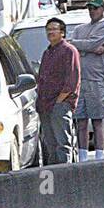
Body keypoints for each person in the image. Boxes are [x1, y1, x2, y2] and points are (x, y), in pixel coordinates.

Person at [69, 0, 104, 161]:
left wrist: (86, 46)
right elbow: (75, 47)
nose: (92, 11)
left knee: (97, 120)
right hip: (80, 81)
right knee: (80, 121)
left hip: (96, 80)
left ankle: (100, 157)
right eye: (90, 8)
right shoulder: (80, 29)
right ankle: (82, 157)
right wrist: (88, 47)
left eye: (95, 8)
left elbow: (90, 44)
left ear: (102, 9)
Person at [35, 17, 80, 164]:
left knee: (63, 144)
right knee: (50, 145)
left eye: (54, 29)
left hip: (60, 104)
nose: (50, 32)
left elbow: (72, 80)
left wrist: (60, 101)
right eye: (48, 30)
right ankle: (53, 176)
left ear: (62, 32)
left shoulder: (69, 51)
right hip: (45, 106)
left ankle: (65, 176)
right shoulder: (47, 53)